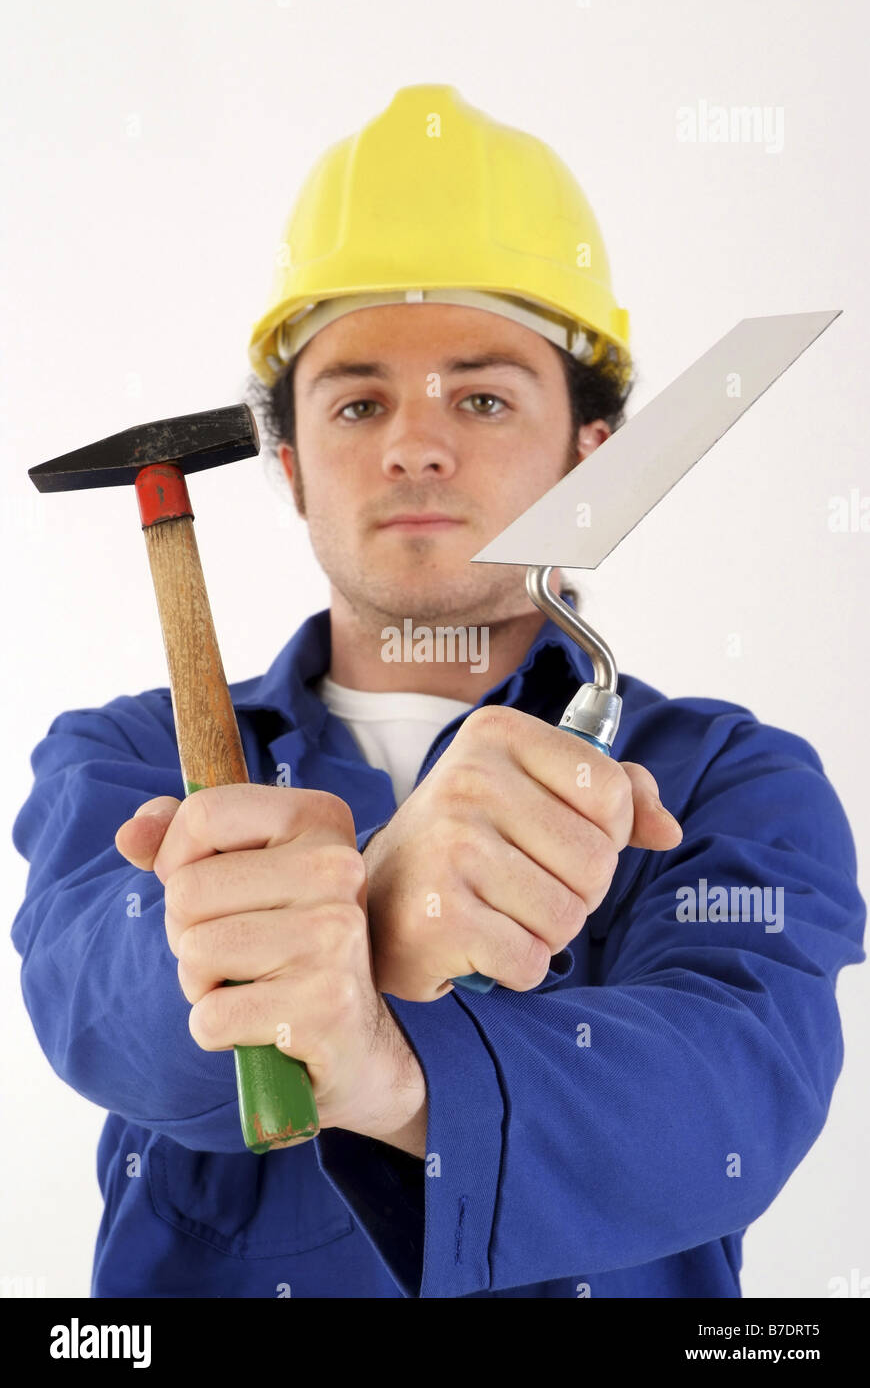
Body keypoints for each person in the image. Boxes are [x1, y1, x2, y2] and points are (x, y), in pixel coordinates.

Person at [12, 84, 865, 1299]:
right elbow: (97, 1017)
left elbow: (733, 1098)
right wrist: (351, 915)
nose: (416, 444)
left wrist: (386, 1060)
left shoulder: (731, 780)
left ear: (594, 448)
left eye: (482, 395)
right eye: (360, 400)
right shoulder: (128, 760)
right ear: (292, 465)